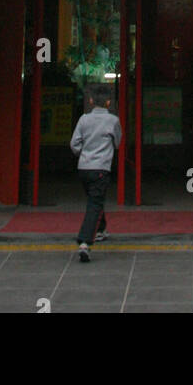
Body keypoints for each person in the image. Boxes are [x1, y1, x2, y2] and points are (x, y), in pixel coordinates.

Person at [69, 91, 122, 263]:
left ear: (91, 101)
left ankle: (101, 229)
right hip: (101, 168)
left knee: (94, 199)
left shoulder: (83, 119)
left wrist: (83, 153)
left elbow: (74, 144)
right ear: (108, 102)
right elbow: (117, 142)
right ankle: (85, 242)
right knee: (95, 203)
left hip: (84, 167)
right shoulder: (113, 120)